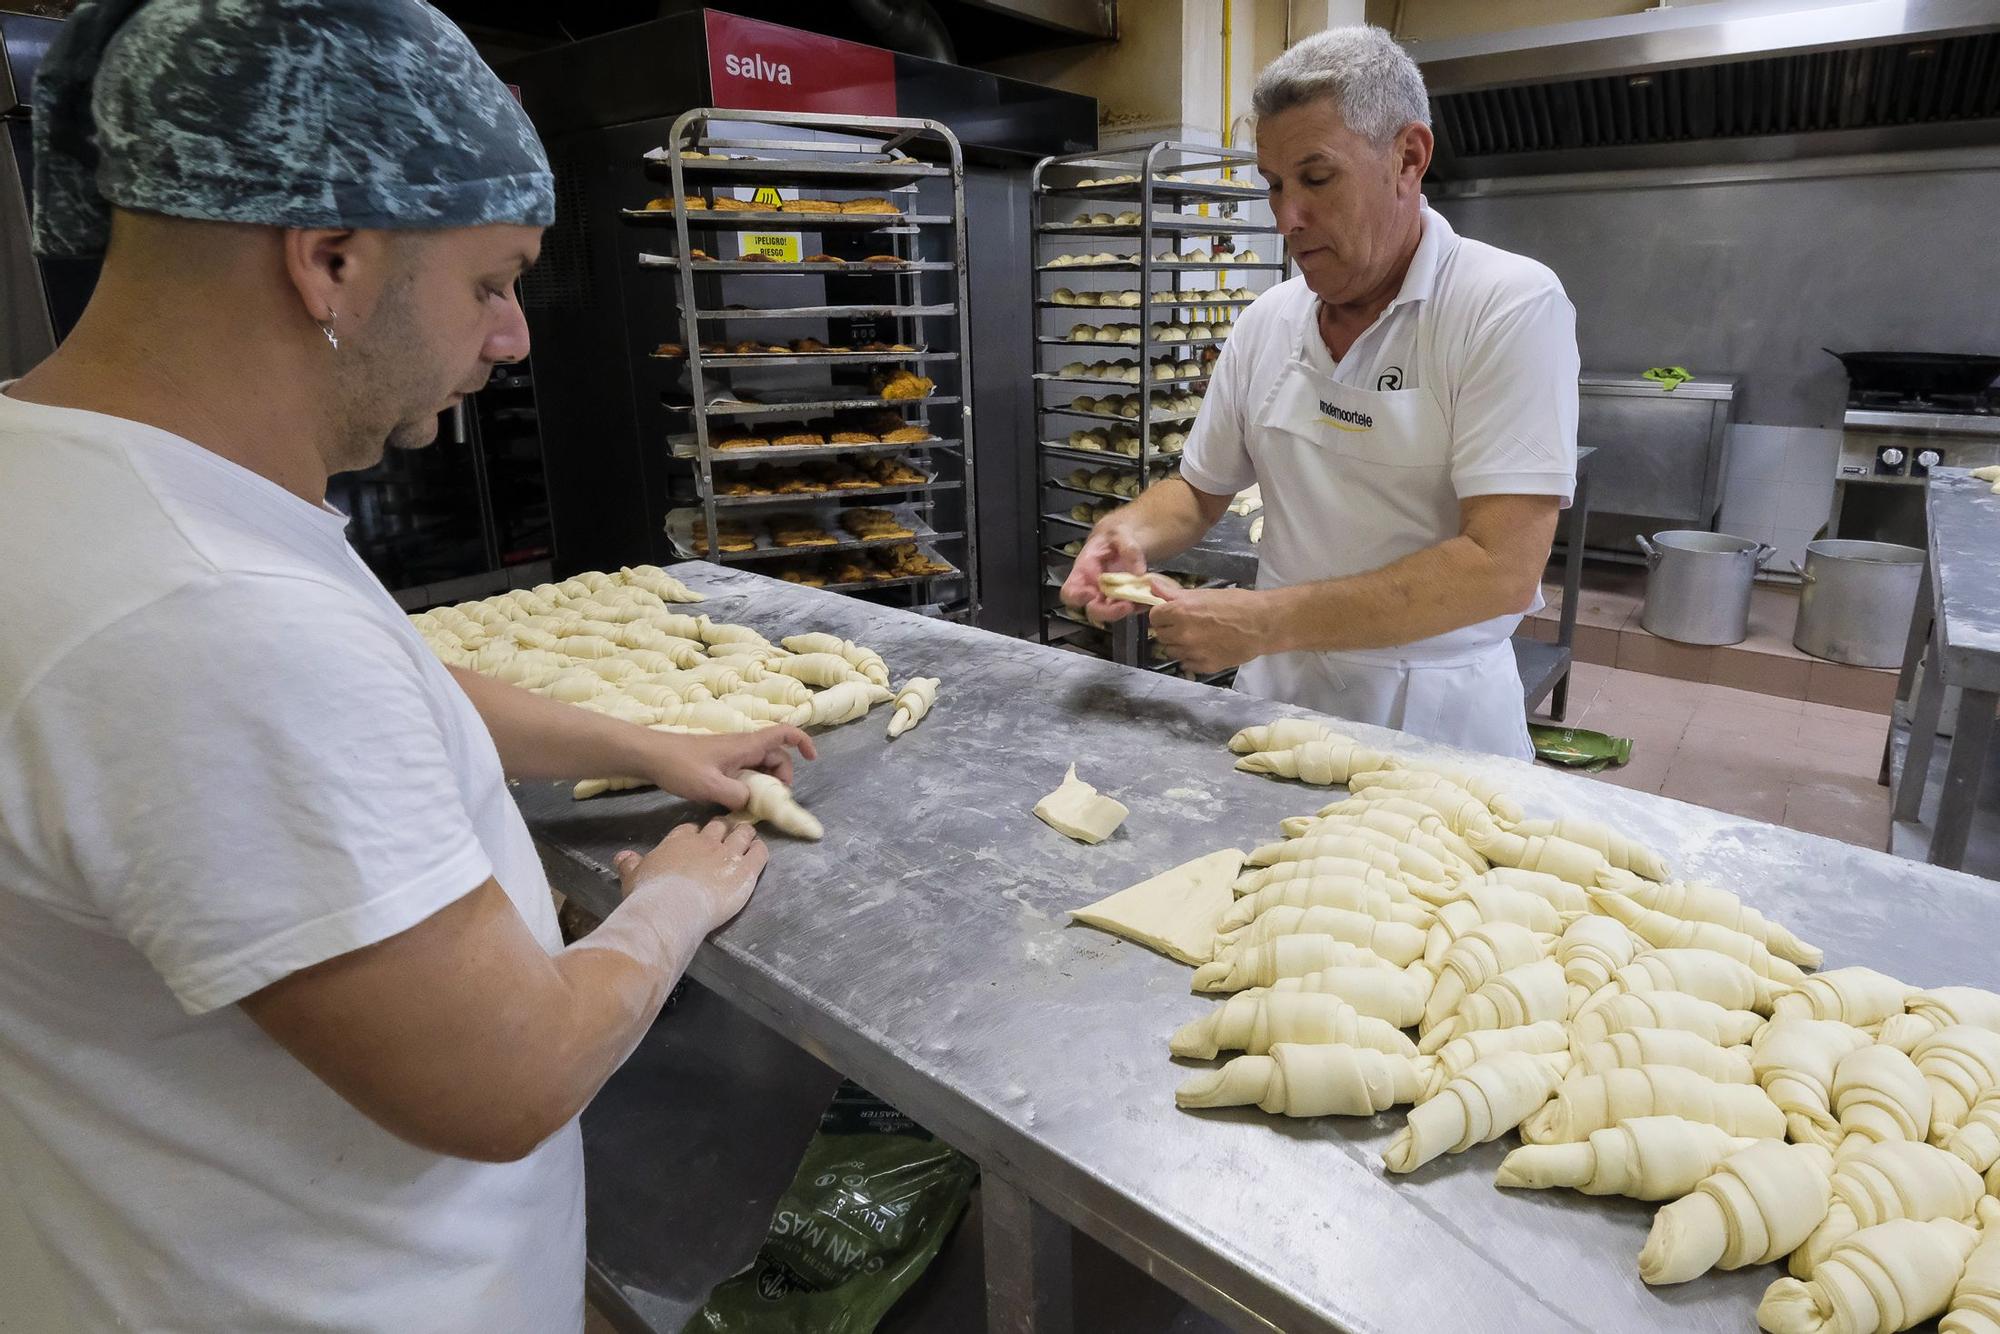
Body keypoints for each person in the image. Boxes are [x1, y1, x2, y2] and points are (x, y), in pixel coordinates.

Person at [0, 1, 810, 1328]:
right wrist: (667, 901)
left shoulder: (81, 479)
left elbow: (371, 689)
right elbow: (513, 1071)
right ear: (331, 259)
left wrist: (647, 747)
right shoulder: (211, 618)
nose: (514, 338)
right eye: (493, 281)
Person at [1062, 25, 1579, 761]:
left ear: (1408, 158)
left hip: (1432, 725)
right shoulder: (1269, 322)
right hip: (1278, 705)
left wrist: (1264, 620)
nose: (1287, 218)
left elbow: (1499, 567)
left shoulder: (1505, 306)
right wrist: (1129, 534)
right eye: (1274, 185)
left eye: (1317, 178)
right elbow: (1199, 491)